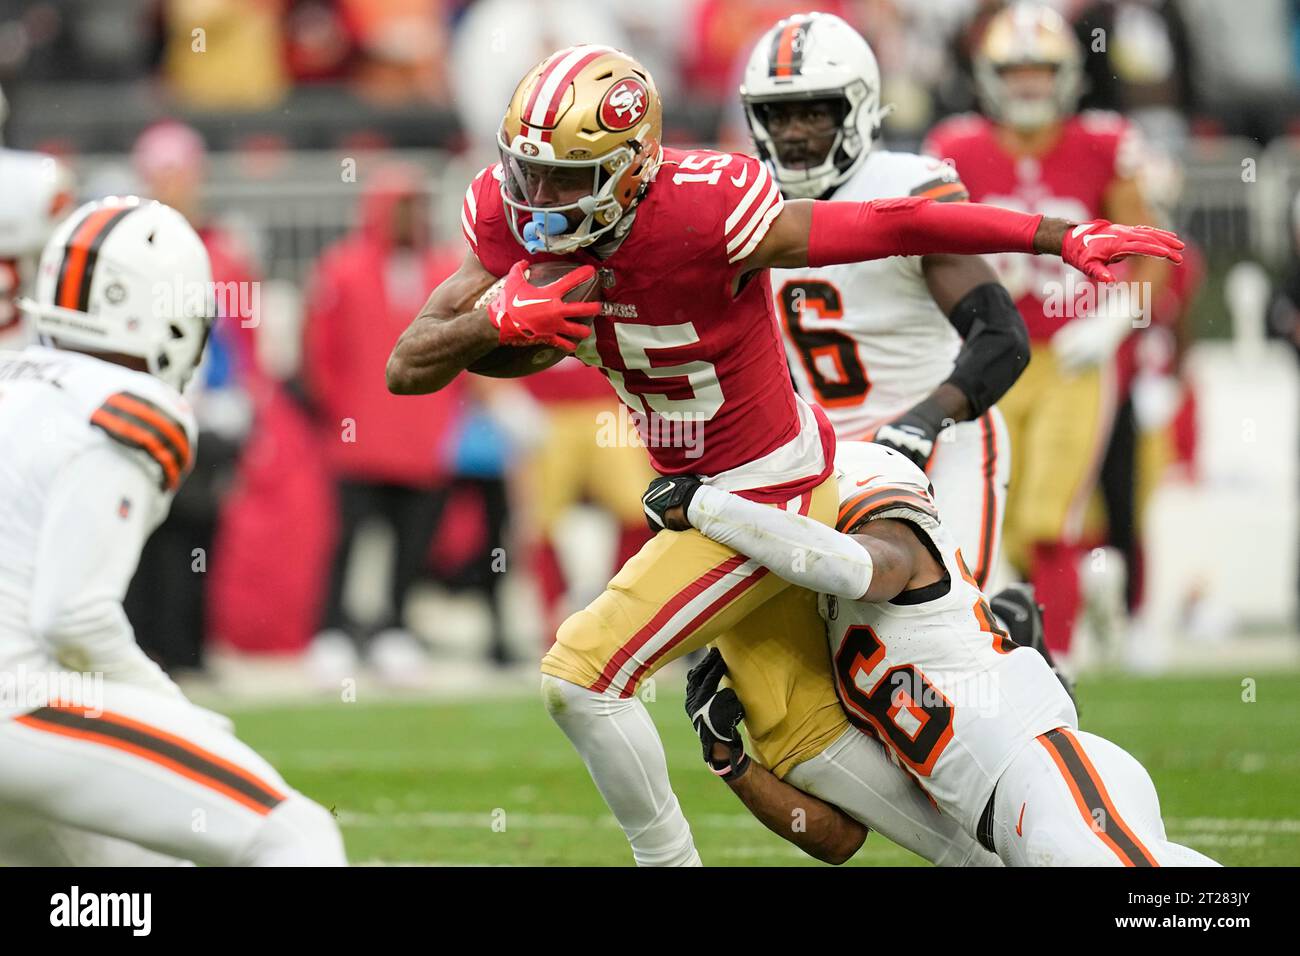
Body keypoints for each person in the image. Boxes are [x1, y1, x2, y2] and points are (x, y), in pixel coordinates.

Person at [385, 43, 1183, 866]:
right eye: (527, 172)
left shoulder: (706, 213)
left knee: (579, 675)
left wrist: (1054, 234)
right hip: (711, 488)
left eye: (566, 178)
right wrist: (494, 323)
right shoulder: (507, 212)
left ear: (631, 169)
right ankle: (990, 855)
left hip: (769, 489)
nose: (539, 200)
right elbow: (406, 365)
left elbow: (891, 225)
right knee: (803, 742)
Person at [646, 443, 1218, 866]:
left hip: (1045, 777)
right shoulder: (840, 631)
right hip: (1006, 824)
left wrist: (708, 508)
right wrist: (732, 763)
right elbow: (838, 839)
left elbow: (853, 565)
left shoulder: (893, 549)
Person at [0, 197, 344, 866]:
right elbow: (72, 618)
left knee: (130, 873)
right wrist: (169, 705)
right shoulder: (131, 407)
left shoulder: (13, 379)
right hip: (18, 705)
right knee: (295, 834)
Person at [741, 12, 1026, 593]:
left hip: (943, 441)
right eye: (778, 113)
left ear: (859, 108)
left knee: (948, 618)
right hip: (834, 457)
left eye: (814, 112)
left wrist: (925, 418)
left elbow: (1003, 338)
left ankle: (1023, 638)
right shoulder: (747, 202)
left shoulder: (905, 187)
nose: (793, 132)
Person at [924, 3, 1172, 660]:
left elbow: (1154, 248)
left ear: (1066, 75)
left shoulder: (1102, 143)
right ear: (988, 75)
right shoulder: (956, 148)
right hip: (992, 354)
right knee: (998, 525)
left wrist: (1116, 319)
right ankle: (1078, 603)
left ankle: (1056, 663)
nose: (1029, 85)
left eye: (1041, 71)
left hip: (1073, 357)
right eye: (1015, 71)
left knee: (1045, 516)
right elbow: (925, 247)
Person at [302, 163, 465, 686]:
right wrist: (340, 413)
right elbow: (321, 353)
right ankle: (331, 632)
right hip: (360, 438)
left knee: (413, 542)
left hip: (423, 439)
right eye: (401, 205)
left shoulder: (445, 270)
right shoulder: (342, 269)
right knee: (346, 540)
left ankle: (394, 628)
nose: (409, 217)